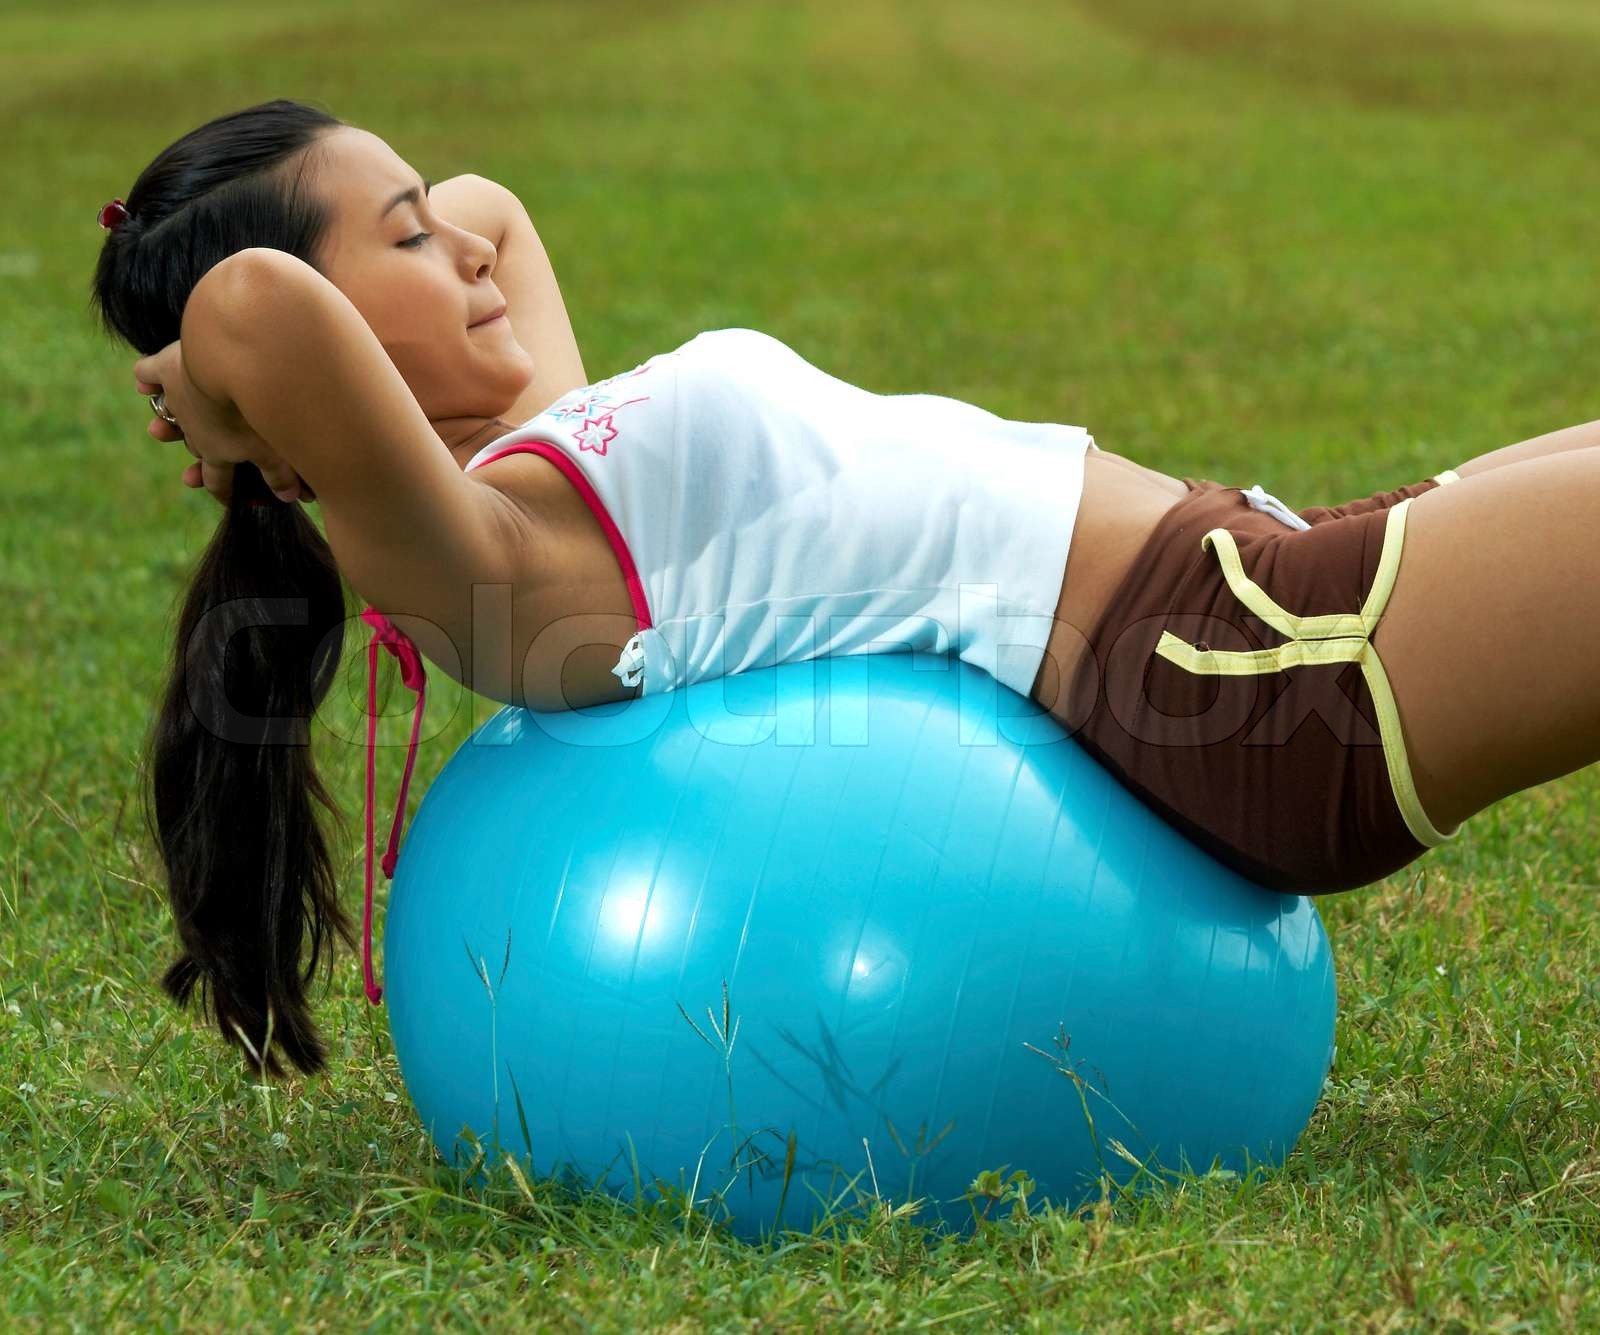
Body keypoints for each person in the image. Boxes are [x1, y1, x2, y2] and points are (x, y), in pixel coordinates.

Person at [91, 97, 1600, 1080]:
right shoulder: (491, 569)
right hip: (1254, 669)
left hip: (1260, 593)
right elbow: (251, 303)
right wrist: (230, 403)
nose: (469, 240)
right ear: (328, 356)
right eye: (412, 239)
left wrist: (364, 289)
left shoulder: (540, 444)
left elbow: (483, 209)